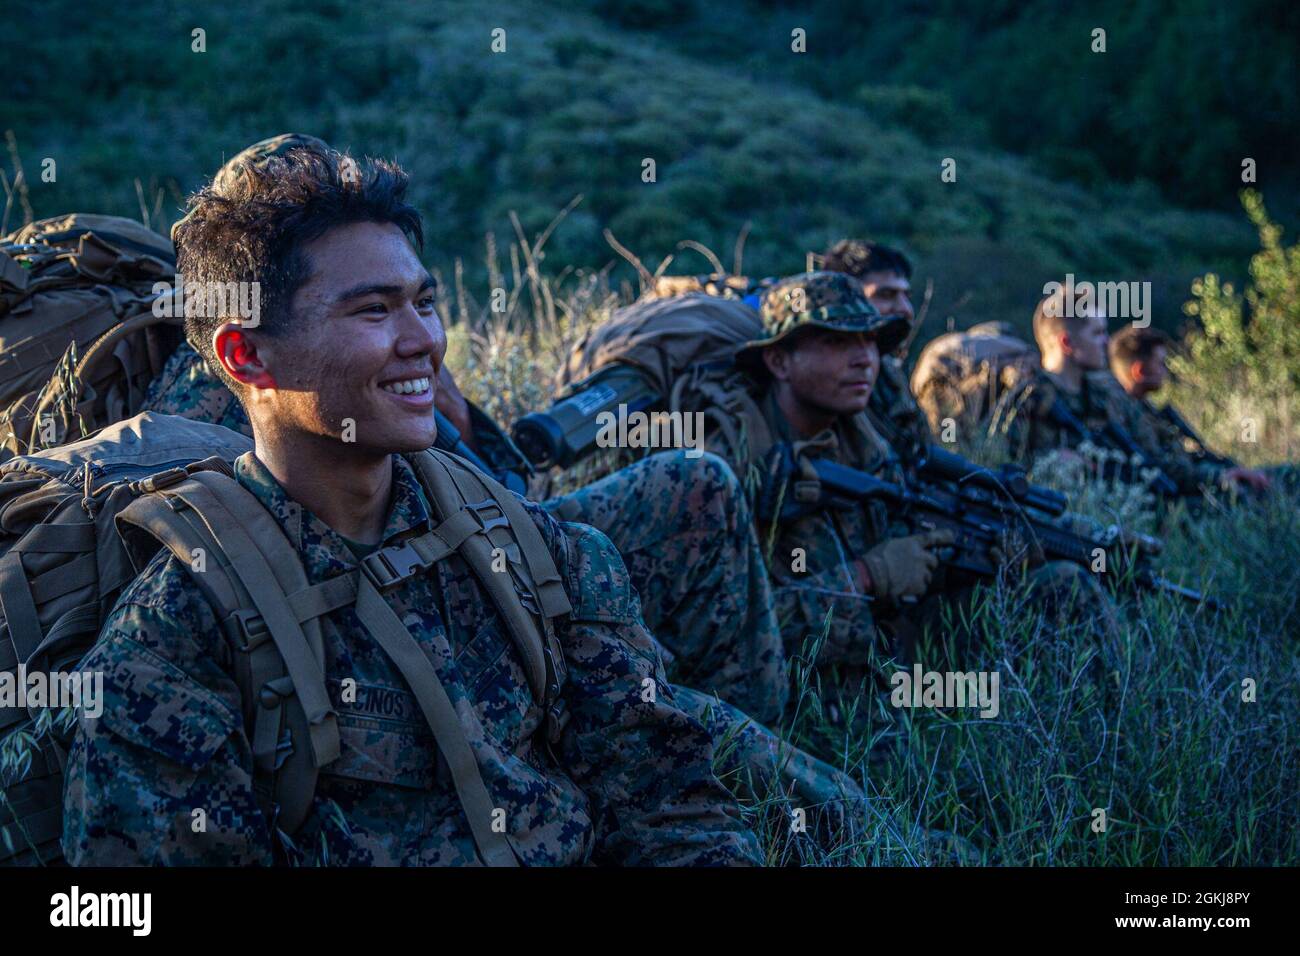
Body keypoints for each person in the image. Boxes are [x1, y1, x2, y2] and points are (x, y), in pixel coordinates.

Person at [62, 145, 761, 866]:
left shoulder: (539, 551)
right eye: (374, 311)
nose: (425, 341)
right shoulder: (173, 642)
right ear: (246, 355)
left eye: (424, 302)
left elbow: (671, 805)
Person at [1107, 324, 1271, 495]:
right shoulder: (1127, 415)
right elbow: (1165, 470)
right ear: (1139, 371)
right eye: (1161, 363)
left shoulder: (1145, 409)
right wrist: (1221, 476)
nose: (1165, 371)